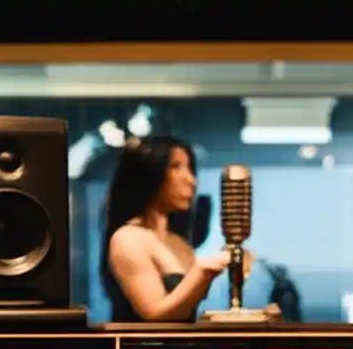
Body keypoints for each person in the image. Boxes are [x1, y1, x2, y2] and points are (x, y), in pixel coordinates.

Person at [101, 136, 248, 322]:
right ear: (149, 172)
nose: (191, 181)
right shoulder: (128, 238)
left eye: (189, 169)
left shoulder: (178, 242)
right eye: (176, 166)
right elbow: (155, 314)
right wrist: (203, 272)